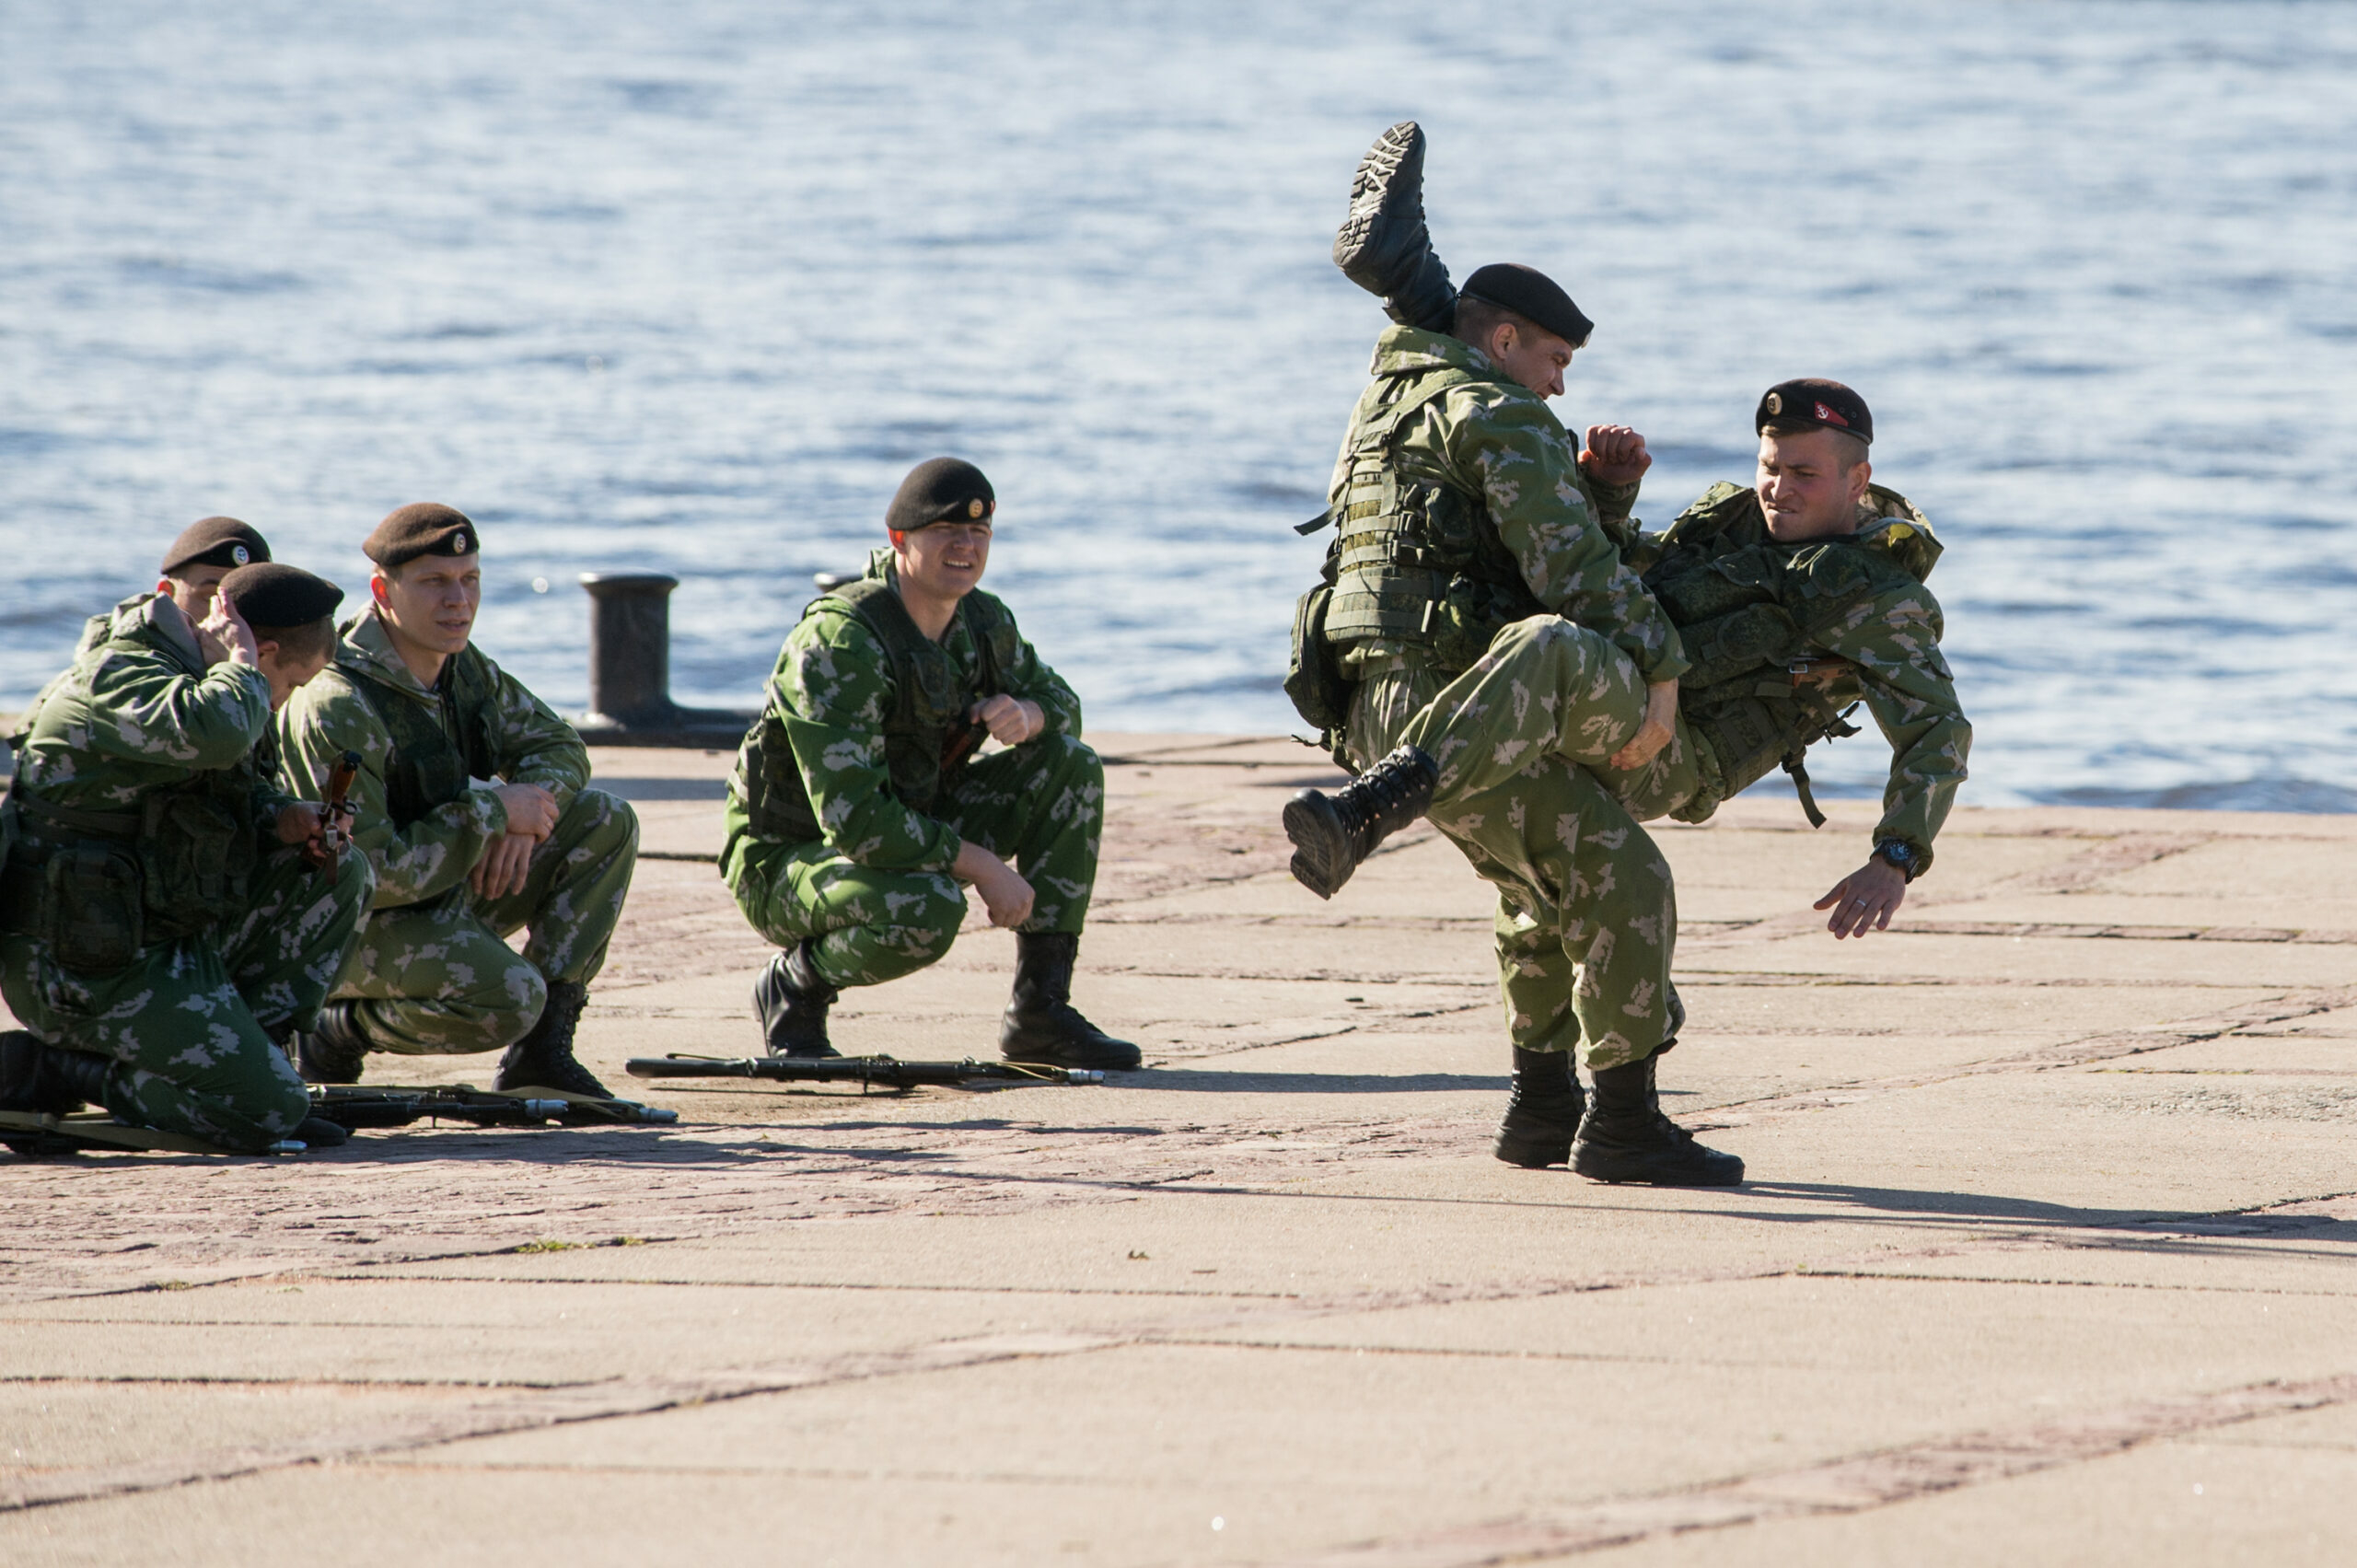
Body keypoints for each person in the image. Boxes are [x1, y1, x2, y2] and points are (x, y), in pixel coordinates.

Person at [1287, 122, 1733, 1183]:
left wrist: (1606, 489)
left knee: (1545, 880)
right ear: (1502, 344)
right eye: (1555, 359)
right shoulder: (1500, 411)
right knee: (1623, 873)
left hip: (1368, 706)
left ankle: (1540, 1116)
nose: (1561, 389)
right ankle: (1622, 1127)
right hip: (1468, 698)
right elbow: (1571, 574)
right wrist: (1661, 673)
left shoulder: (1390, 400)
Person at [724, 457, 1136, 1069]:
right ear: (900, 540)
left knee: (1069, 765)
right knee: (928, 908)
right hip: (789, 859)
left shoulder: (981, 621)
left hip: (910, 822)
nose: (966, 545)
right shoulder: (842, 643)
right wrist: (985, 865)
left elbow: (1064, 705)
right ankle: (795, 984)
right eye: (946, 531)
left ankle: (1041, 1011)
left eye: (980, 533)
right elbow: (858, 824)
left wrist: (1027, 712)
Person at [1, 562, 370, 1152]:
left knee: (336, 870)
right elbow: (214, 734)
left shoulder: (219, 687)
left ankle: (256, 1054)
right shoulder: (124, 672)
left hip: (160, 928)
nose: (284, 702)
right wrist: (242, 667)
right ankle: (58, 1067)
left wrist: (283, 817)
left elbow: (218, 797)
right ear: (263, 651)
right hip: (81, 958)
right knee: (261, 1115)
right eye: (293, 685)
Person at [274, 504, 639, 1098]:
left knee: (603, 819)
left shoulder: (460, 668)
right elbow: (369, 874)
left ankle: (542, 1054)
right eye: (434, 582)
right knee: (507, 995)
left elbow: (558, 744)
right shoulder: (339, 700)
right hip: (338, 928)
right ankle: (334, 1028)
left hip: (433, 890)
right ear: (382, 591)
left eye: (469, 580)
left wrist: (527, 816)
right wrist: (494, 812)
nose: (458, 601)